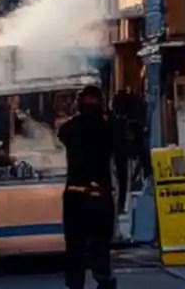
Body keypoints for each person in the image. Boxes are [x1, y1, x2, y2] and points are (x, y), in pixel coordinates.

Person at [57, 85, 122, 289]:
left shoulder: (68, 129)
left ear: (79, 104)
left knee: (75, 247)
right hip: (101, 196)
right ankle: (104, 279)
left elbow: (62, 136)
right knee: (101, 246)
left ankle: (75, 284)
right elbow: (121, 153)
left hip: (75, 195)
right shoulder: (110, 128)